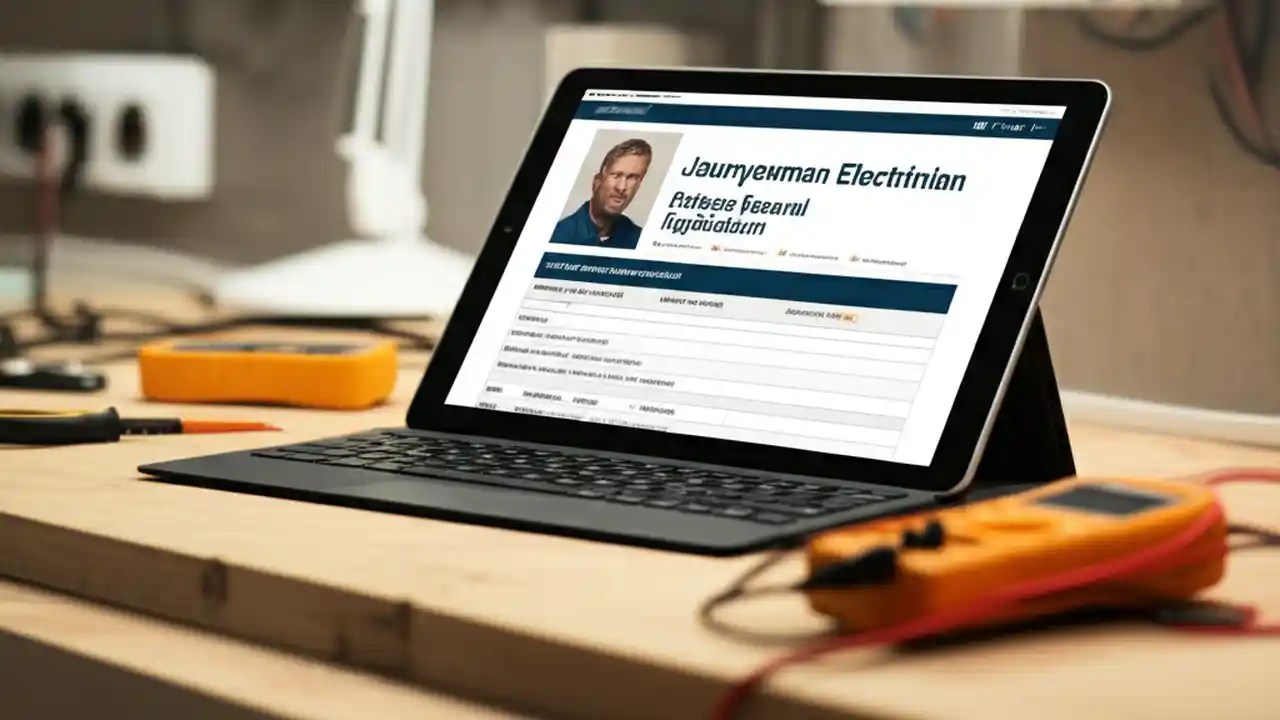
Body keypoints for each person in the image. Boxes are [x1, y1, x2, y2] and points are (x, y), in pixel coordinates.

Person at [551, 138, 652, 250]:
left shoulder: (640, 241)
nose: (621, 187)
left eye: (632, 177)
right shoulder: (557, 238)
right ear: (597, 181)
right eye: (616, 175)